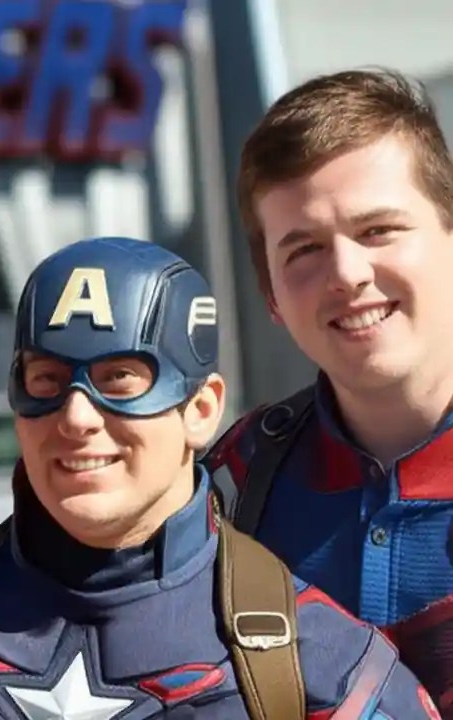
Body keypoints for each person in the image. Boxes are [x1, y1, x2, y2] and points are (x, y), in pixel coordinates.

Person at [0, 236, 435, 718]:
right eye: (46, 380)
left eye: (120, 379)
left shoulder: (321, 666)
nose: (77, 418)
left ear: (201, 409)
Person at [205, 68, 453, 714]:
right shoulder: (233, 486)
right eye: (305, 249)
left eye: (379, 230)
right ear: (272, 298)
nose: (347, 274)